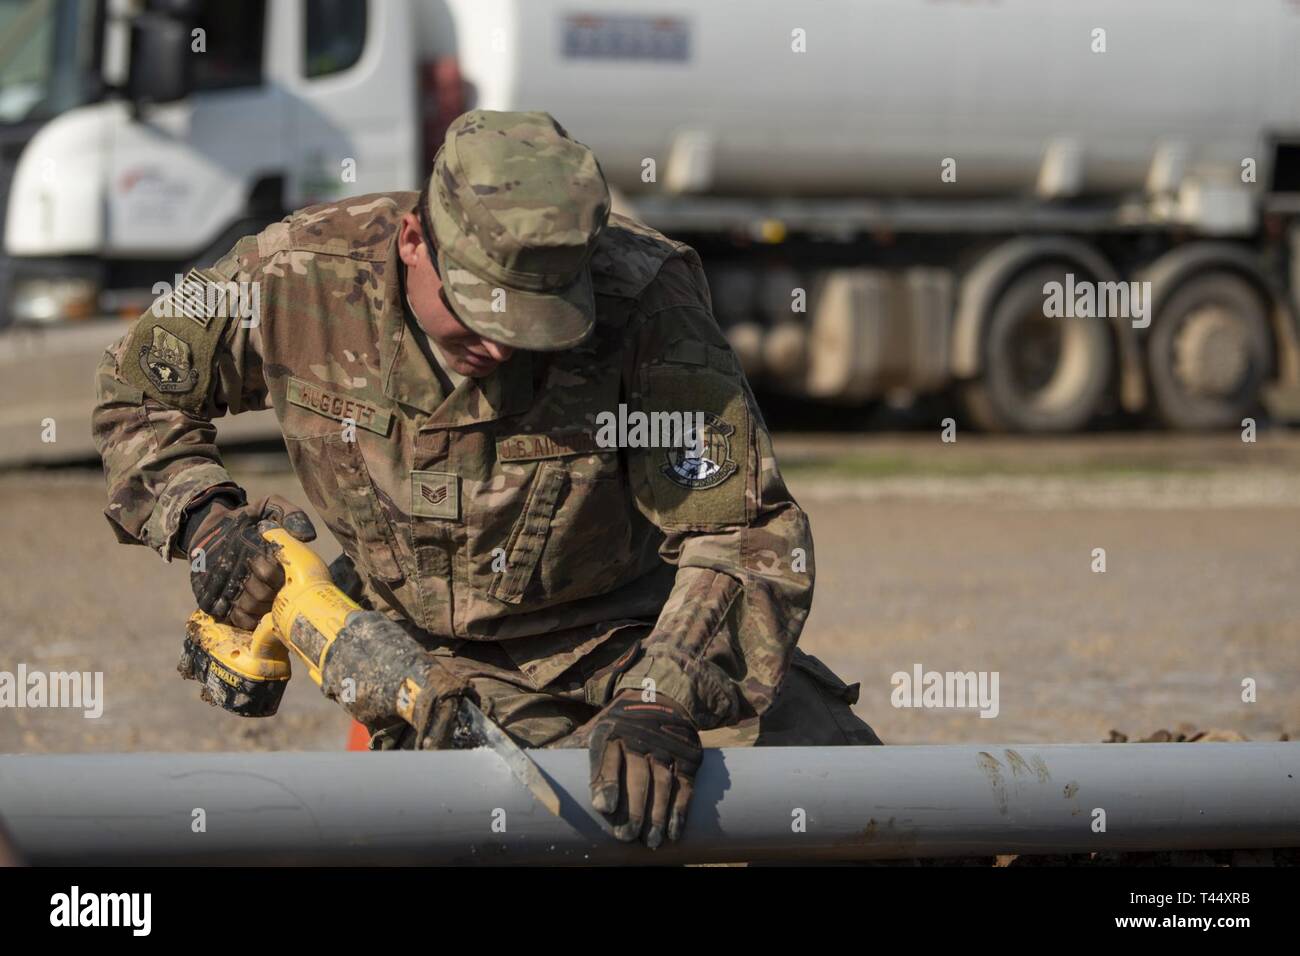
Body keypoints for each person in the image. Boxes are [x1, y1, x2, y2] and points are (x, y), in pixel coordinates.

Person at [93, 109, 881, 849]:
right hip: (423, 670)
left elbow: (745, 532)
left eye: (532, 327)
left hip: (627, 645)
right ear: (412, 240)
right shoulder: (295, 273)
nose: (501, 349)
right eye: (478, 313)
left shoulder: (643, 301)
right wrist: (206, 521)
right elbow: (136, 389)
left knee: (877, 818)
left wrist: (663, 694)